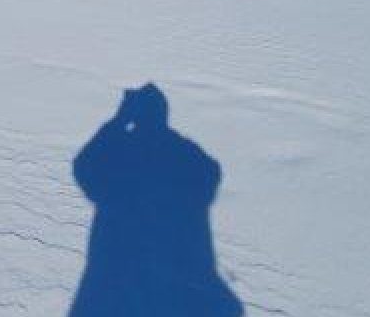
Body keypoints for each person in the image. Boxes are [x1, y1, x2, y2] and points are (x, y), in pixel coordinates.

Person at [69, 84, 243, 316]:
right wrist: (175, 139)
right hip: (176, 277)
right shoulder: (184, 157)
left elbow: (84, 166)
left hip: (117, 277)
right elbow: (212, 171)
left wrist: (118, 122)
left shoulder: (121, 150)